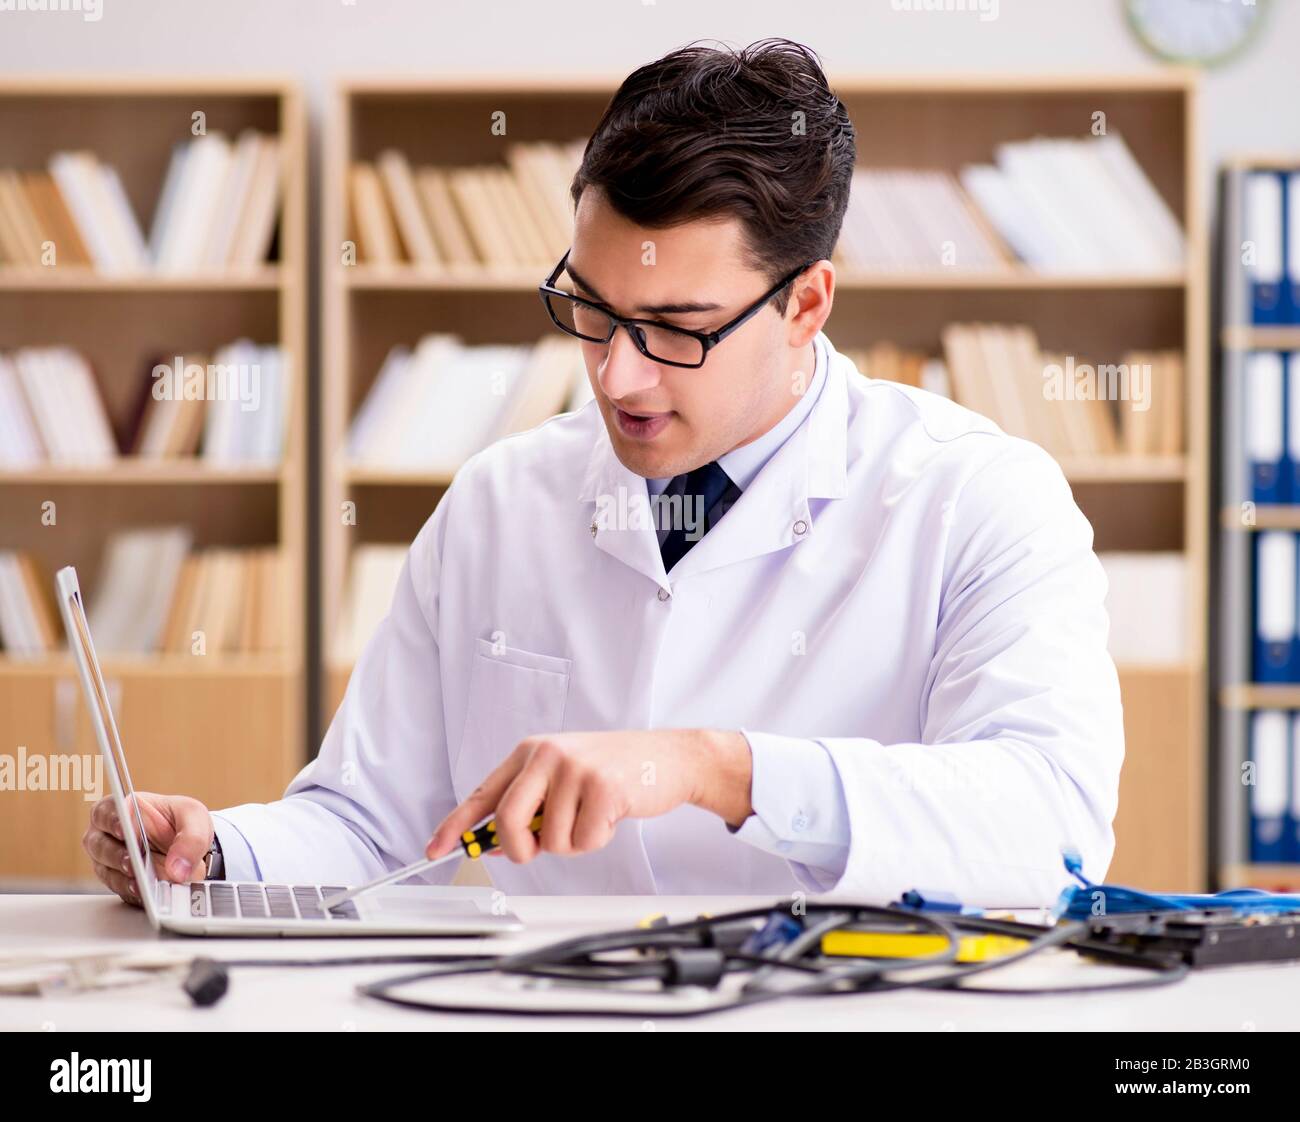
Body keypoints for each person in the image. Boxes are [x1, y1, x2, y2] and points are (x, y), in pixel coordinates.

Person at [83, 37, 1122, 908]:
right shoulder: (500, 500)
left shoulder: (978, 498)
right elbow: (376, 826)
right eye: (591, 308)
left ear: (806, 303)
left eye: (675, 329)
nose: (616, 374)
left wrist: (711, 767)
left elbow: (1053, 828)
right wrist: (214, 854)